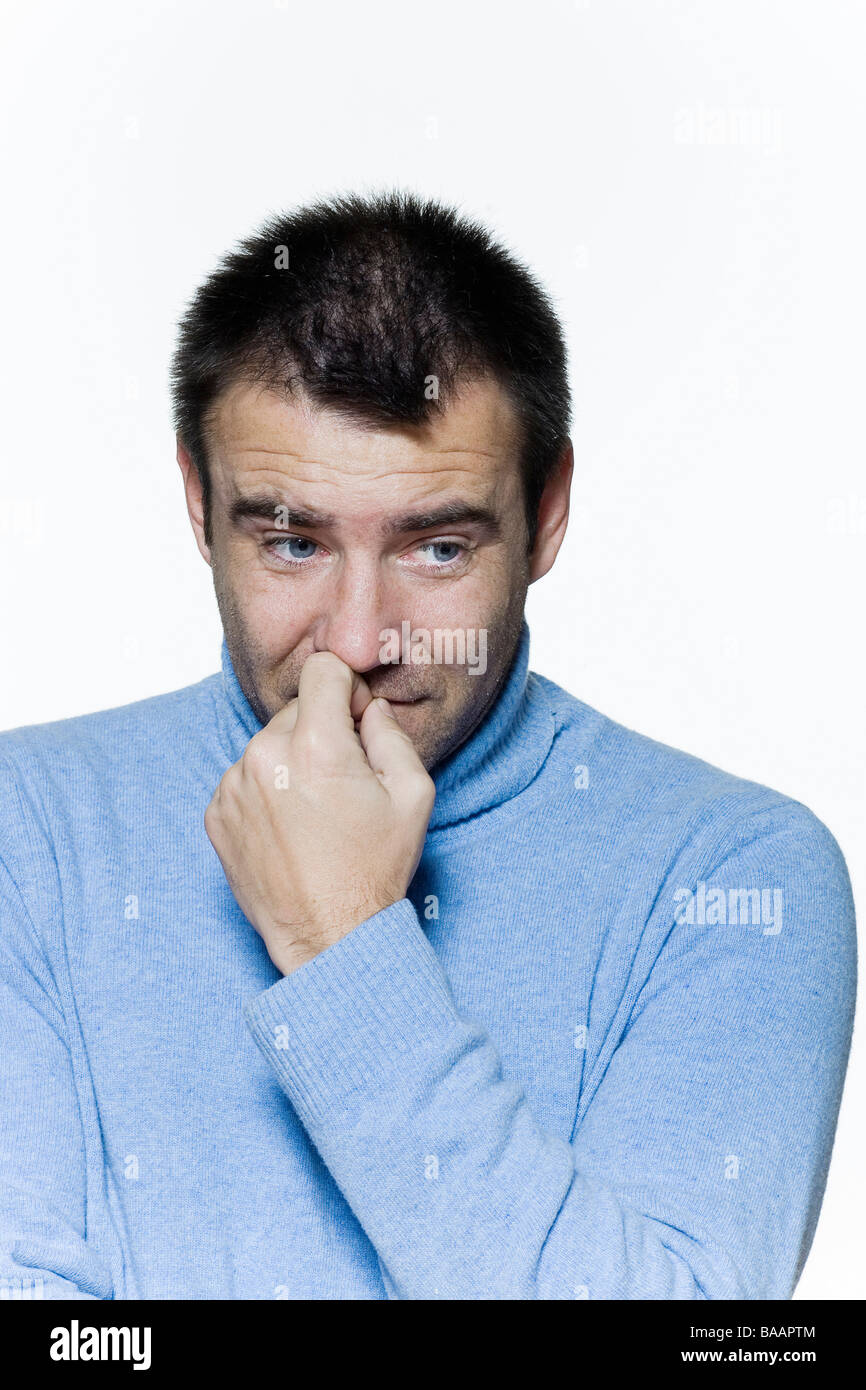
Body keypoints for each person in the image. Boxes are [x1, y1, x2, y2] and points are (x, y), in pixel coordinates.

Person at [0, 191, 855, 1300]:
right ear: (197, 501)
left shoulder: (736, 878)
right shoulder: (26, 829)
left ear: (547, 511)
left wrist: (341, 945)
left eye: (438, 546)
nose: (358, 639)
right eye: (293, 541)